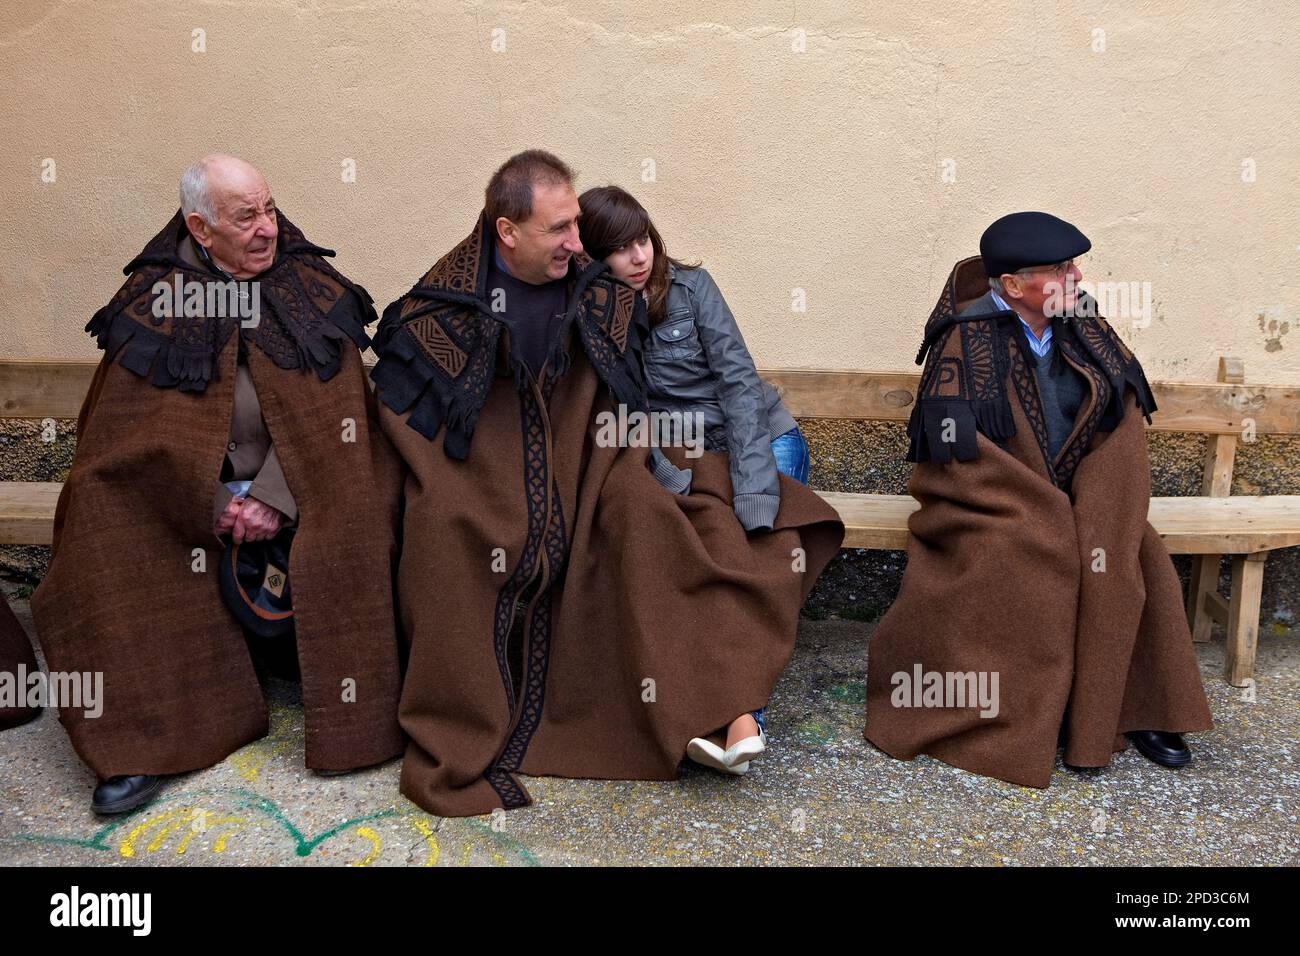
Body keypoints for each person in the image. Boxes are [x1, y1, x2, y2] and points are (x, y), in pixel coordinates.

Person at [371, 150, 844, 817]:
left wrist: (656, 472)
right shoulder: (442, 304)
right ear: (508, 232)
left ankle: (718, 711)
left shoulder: (602, 297)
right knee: (444, 532)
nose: (577, 245)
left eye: (578, 227)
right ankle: (474, 722)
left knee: (661, 525)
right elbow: (409, 412)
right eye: (560, 230)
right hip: (483, 477)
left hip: (599, 465)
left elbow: (626, 404)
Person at [31, 155, 404, 814]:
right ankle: (141, 740)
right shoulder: (155, 299)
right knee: (102, 536)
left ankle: (354, 710)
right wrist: (209, 500)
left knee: (363, 513)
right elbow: (122, 439)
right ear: (200, 229)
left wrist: (269, 498)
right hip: (184, 498)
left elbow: (343, 415)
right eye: (245, 218)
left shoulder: (309, 285)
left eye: (268, 208)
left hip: (300, 486)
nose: (267, 229)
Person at [863, 211, 1213, 787]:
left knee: (1127, 555)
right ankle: (1013, 717)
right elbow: (952, 452)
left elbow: (1120, 421)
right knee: (1028, 554)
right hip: (989, 504)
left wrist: (1098, 501)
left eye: (1074, 264)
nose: (1076, 276)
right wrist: (1039, 504)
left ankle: (1134, 709)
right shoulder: (962, 339)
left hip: (1084, 494)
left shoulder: (1085, 321)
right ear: (1013, 286)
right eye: (1059, 268)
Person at [577, 184, 809, 773]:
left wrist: (754, 489)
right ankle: (722, 713)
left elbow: (739, 385)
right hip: (687, 458)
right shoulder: (591, 312)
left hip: (755, 441)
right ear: (592, 257)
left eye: (642, 240)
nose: (640, 257)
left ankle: (741, 714)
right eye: (621, 249)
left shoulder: (691, 288)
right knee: (689, 560)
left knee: (757, 550)